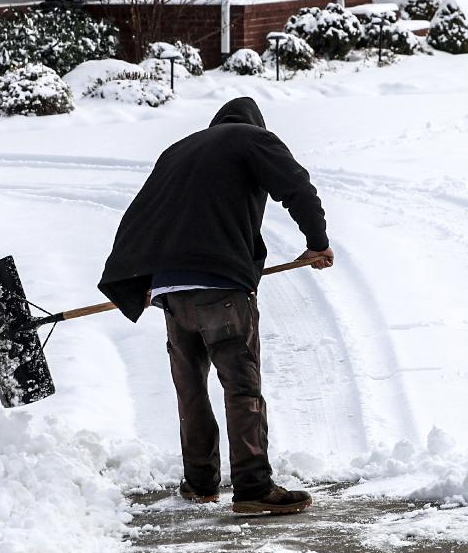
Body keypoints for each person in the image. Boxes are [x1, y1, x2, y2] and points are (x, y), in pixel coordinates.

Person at [98, 96, 334, 516]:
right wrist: (317, 242)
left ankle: (201, 482)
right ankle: (253, 486)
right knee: (241, 385)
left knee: (190, 389)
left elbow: (140, 214)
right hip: (221, 286)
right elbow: (297, 186)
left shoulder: (178, 150)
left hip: (171, 288)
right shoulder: (252, 139)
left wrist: (142, 280)